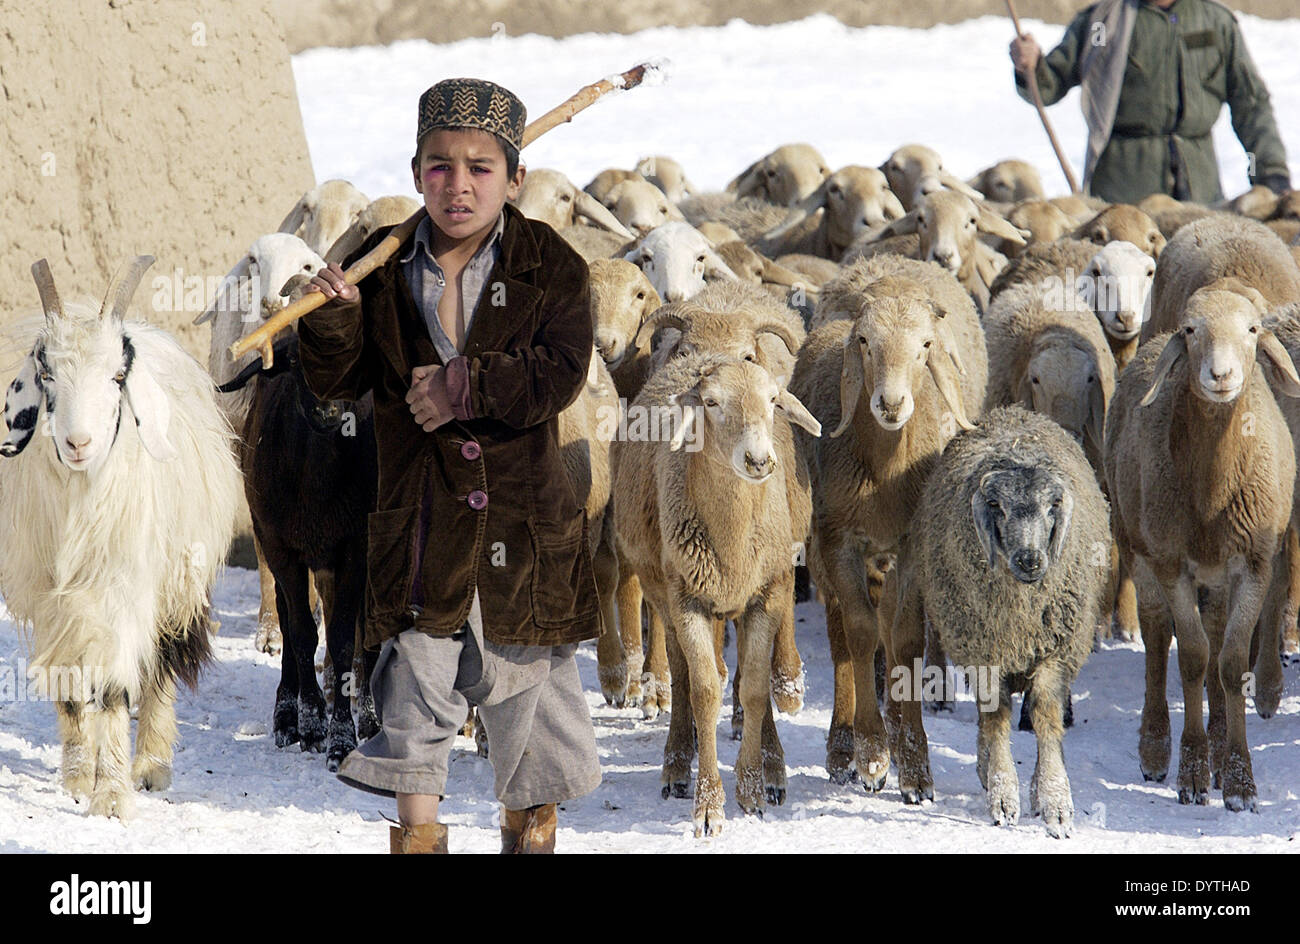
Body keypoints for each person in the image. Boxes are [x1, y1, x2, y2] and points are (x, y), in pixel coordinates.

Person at [300, 77, 602, 854]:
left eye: (479, 167)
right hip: (421, 526)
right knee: (414, 692)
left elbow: (561, 371)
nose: (457, 184)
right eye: (439, 166)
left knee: (530, 697)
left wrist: (465, 385)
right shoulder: (380, 268)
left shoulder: (552, 266)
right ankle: (419, 837)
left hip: (522, 528)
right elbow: (337, 382)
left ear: (515, 178)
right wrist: (333, 322)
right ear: (416, 173)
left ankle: (528, 834)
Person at [1009, 0, 1291, 204]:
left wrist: (1270, 174)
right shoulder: (1101, 22)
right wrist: (1030, 66)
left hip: (1201, 196)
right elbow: (1047, 86)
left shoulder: (1217, 21)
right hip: (1121, 198)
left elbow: (1252, 105)